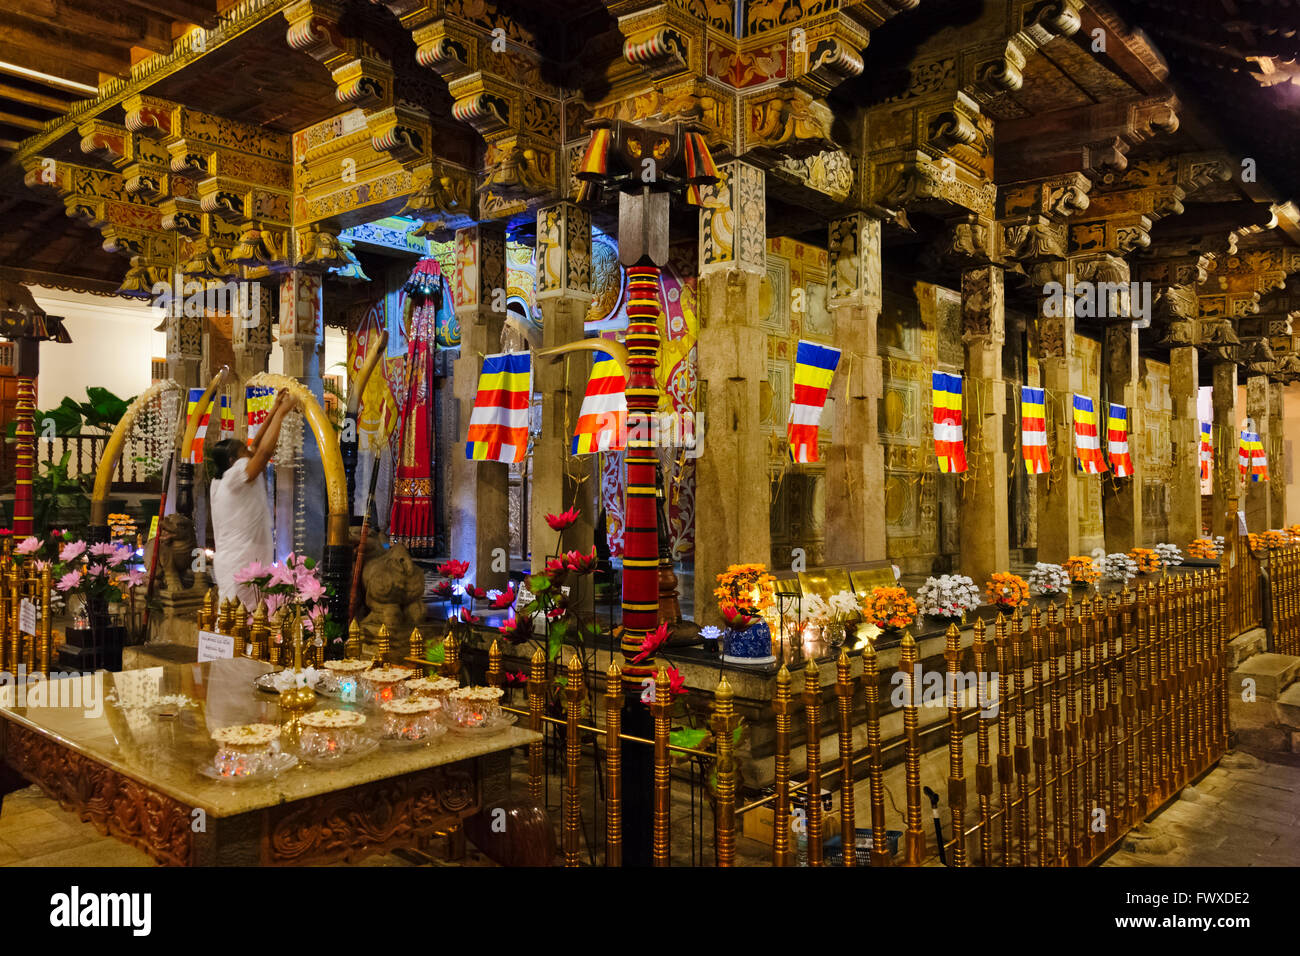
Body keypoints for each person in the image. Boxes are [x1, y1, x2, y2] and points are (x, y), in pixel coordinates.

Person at [209, 389, 297, 608]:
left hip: (238, 557)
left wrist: (275, 408)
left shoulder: (221, 479)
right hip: (239, 560)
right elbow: (264, 452)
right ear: (233, 460)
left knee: (245, 616)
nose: (249, 452)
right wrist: (283, 413)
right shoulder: (234, 478)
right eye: (243, 452)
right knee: (239, 617)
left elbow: (256, 446)